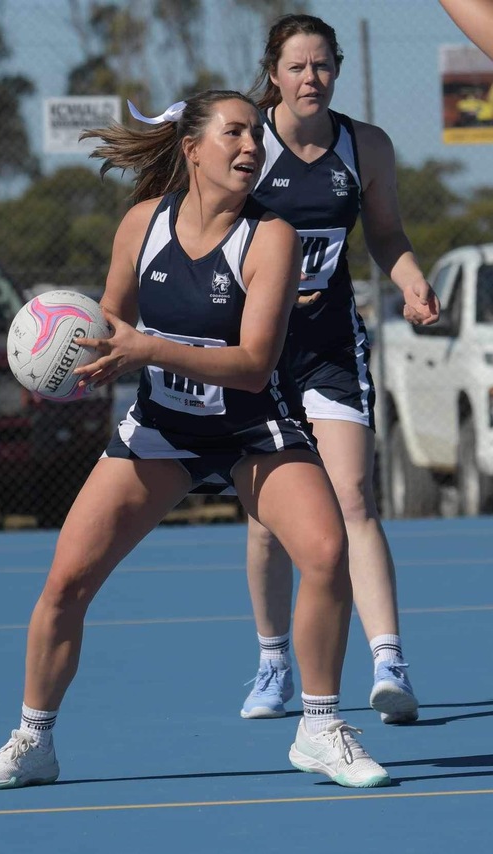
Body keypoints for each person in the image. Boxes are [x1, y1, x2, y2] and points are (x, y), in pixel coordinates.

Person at [0, 89, 390, 791]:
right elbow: (111, 321)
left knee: (325, 551)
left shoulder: (272, 236)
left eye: (257, 135)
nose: (252, 146)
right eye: (235, 133)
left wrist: (148, 349)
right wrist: (68, 343)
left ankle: (319, 727)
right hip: (163, 428)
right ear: (192, 148)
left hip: (254, 426)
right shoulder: (142, 225)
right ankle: (31, 740)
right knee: (66, 581)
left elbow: (255, 365)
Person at [239, 14, 441, 725]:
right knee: (270, 522)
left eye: (322, 65)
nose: (311, 78)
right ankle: (272, 662)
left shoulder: (365, 147)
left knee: (354, 496)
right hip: (255, 357)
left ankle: (389, 662)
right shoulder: (243, 145)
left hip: (329, 348)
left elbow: (387, 235)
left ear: (337, 71)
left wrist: (412, 279)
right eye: (296, 66)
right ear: (273, 74)